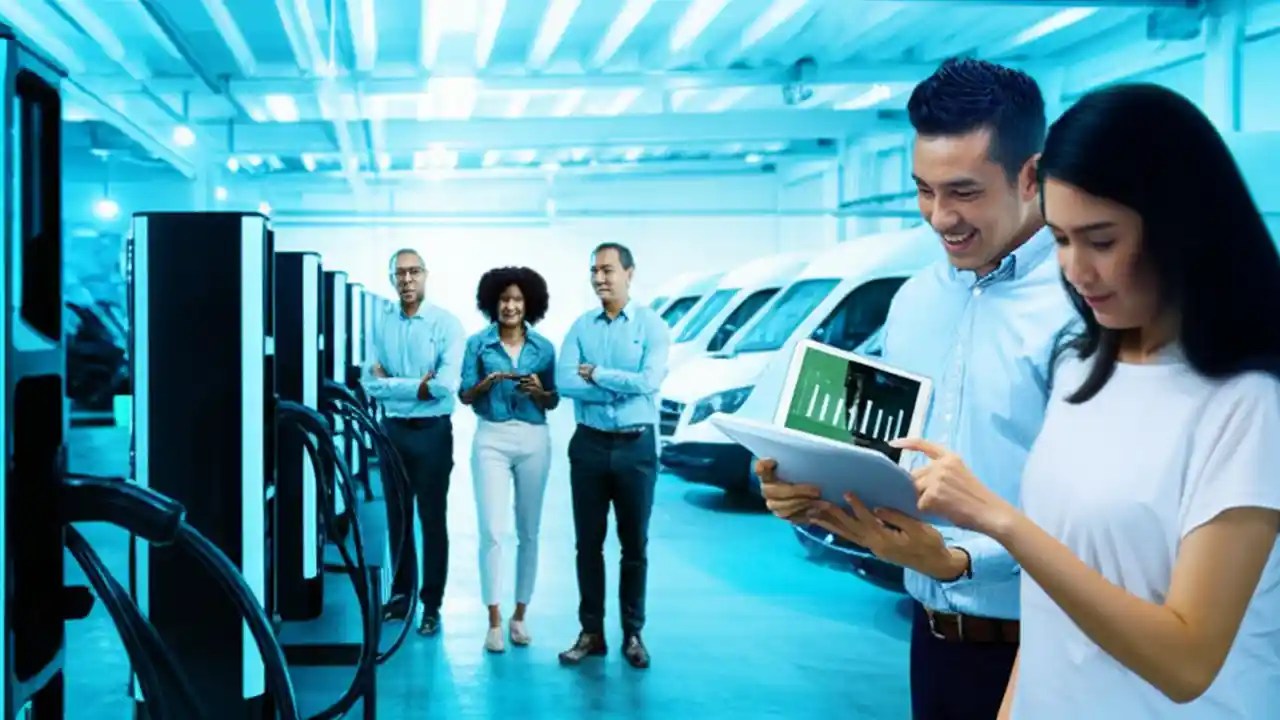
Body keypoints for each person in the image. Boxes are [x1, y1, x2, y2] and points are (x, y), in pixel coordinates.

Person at [893, 83, 1280, 719]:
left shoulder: (1246, 405)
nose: (1075, 271)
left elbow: (1187, 662)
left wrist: (1002, 523)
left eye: (1100, 242)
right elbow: (1049, 610)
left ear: (1183, 227)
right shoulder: (1081, 367)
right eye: (1063, 240)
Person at [757, 57, 1076, 719]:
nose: (938, 217)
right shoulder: (913, 301)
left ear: (1031, 174)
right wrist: (809, 490)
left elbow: (1100, 511)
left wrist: (960, 559)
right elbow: (885, 455)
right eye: (924, 190)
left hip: (1056, 650)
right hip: (931, 641)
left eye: (963, 191)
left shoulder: (1084, 303)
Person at [555, 242, 670, 670]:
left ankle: (634, 633)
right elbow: (565, 381)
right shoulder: (581, 327)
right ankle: (592, 633)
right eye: (594, 271)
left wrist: (598, 374)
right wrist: (621, 382)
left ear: (629, 273)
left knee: (633, 545)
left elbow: (649, 381)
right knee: (588, 544)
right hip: (588, 444)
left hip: (636, 447)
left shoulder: (652, 326)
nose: (600, 279)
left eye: (607, 270)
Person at [362, 248, 465, 636]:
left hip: (433, 433)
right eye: (399, 274)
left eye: (413, 272)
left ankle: (431, 605)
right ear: (391, 279)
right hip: (393, 432)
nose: (406, 280)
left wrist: (394, 384)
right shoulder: (382, 322)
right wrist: (413, 386)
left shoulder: (446, 325)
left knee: (432, 520)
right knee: (397, 517)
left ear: (425, 275)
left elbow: (444, 386)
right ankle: (401, 596)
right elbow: (370, 383)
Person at [458, 266, 559, 653]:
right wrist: (487, 384)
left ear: (528, 304)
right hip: (492, 437)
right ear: (492, 303)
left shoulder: (544, 348)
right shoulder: (478, 344)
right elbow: (465, 395)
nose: (510, 306)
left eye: (517, 300)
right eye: (504, 299)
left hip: (534, 437)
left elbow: (553, 400)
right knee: (492, 530)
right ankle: (494, 621)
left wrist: (538, 391)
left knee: (529, 531)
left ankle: (520, 616)